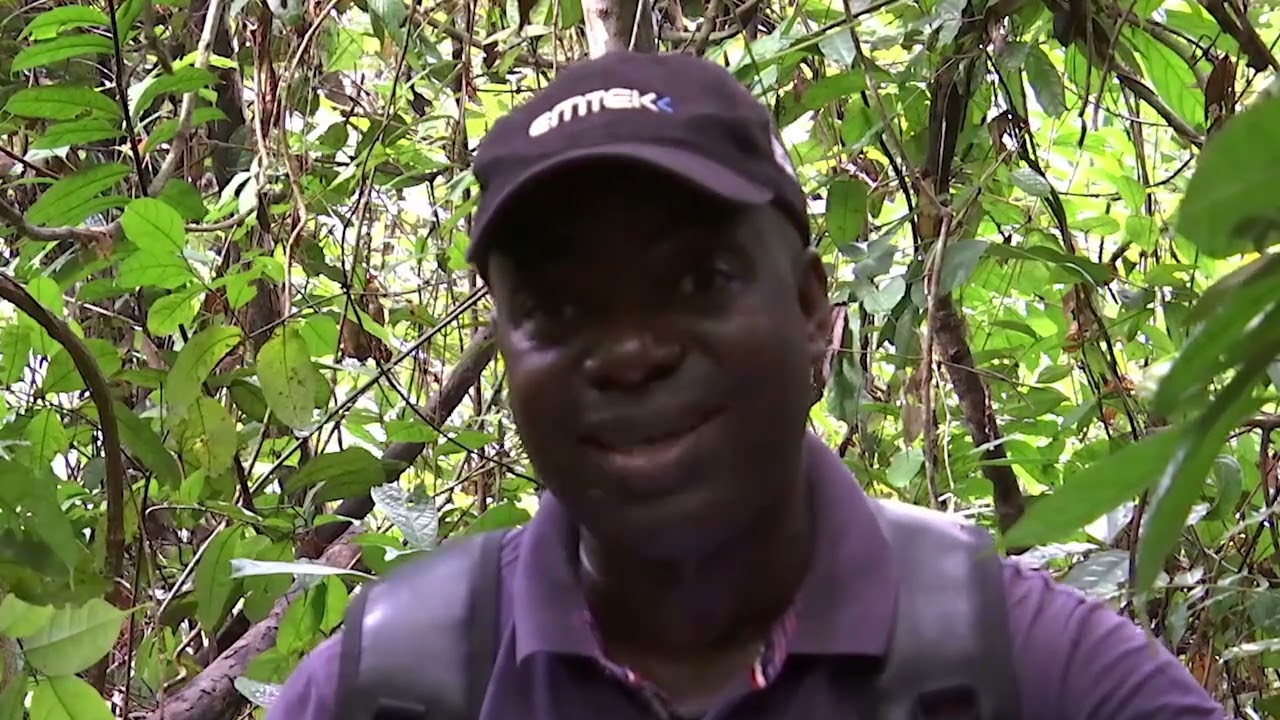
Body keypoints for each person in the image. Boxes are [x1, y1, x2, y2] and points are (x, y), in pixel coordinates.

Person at [268, 51, 1225, 719]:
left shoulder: (1028, 669)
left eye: (699, 282)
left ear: (813, 312)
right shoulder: (393, 683)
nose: (632, 352)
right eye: (558, 309)